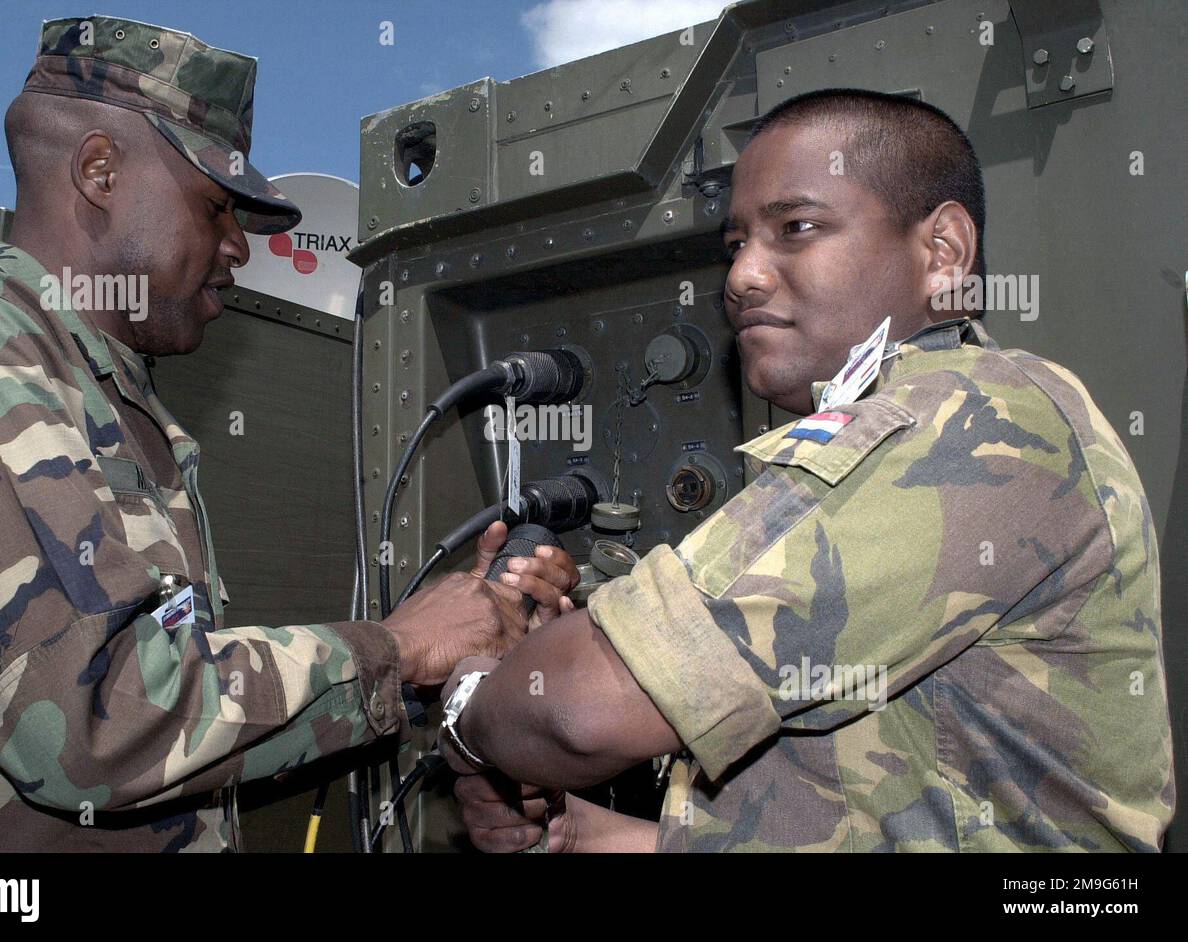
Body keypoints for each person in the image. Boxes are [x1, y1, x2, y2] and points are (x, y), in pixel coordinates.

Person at [0, 15, 576, 853]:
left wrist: (458, 656)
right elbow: (92, 722)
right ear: (99, 171)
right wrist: (401, 647)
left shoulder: (113, 394)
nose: (238, 248)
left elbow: (190, 728)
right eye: (216, 207)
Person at [444, 88, 1174, 853]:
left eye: (797, 228)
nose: (744, 278)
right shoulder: (917, 423)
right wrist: (581, 836)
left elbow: (582, 711)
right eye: (735, 245)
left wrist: (473, 694)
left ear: (944, 252)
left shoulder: (971, 416)